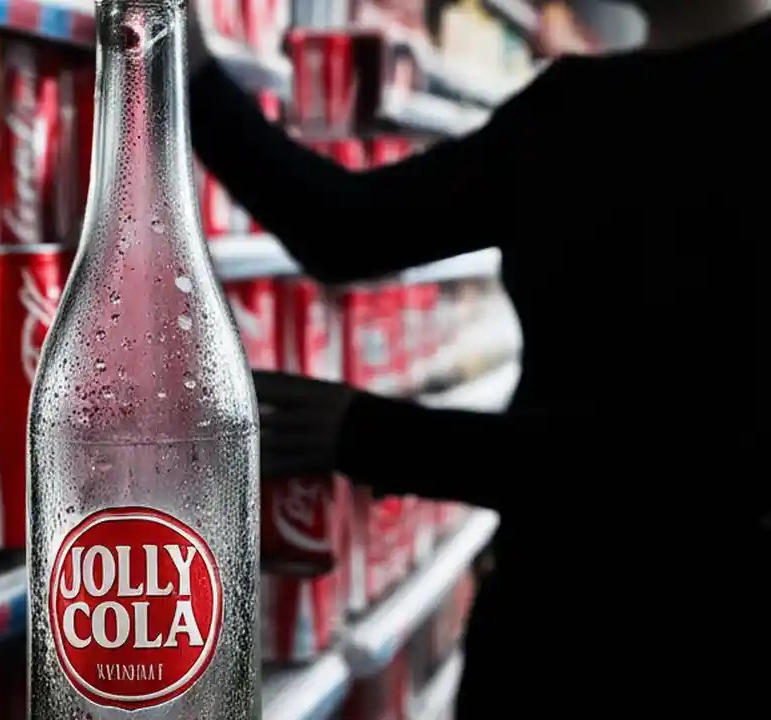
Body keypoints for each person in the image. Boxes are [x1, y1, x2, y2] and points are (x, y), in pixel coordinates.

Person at [186, 0, 770, 716]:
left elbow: (699, 453)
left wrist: (372, 435)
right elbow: (345, 229)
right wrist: (182, 64)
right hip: (553, 614)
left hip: (652, 620)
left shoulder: (592, 111)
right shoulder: (576, 107)